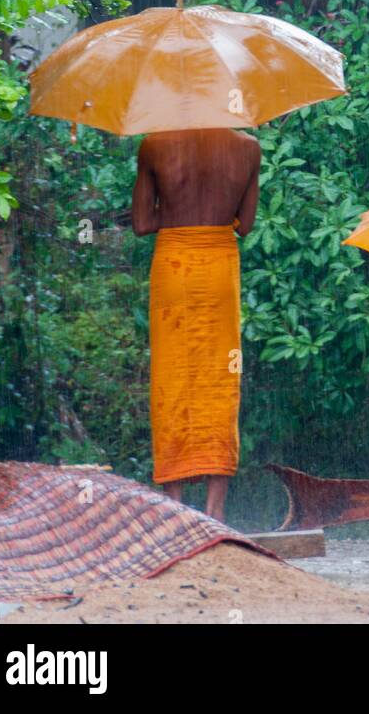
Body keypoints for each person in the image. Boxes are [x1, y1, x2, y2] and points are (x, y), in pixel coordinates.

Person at [131, 127, 260, 522]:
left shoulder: (155, 144)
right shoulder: (248, 148)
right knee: (221, 379)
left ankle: (174, 505)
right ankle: (215, 510)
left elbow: (140, 223)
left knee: (173, 378)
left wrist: (175, 214)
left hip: (174, 268)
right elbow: (246, 225)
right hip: (220, 267)